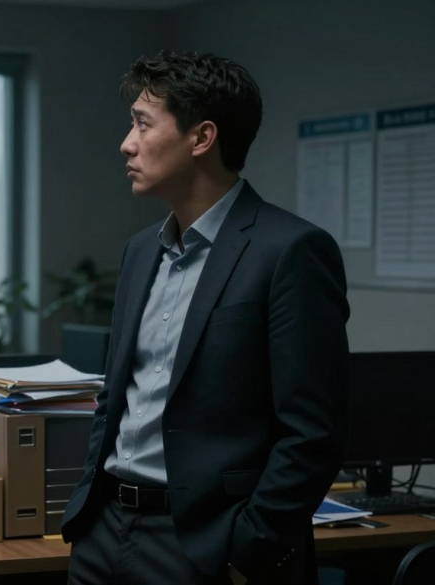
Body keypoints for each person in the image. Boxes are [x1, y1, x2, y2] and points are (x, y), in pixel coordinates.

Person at [61, 52, 350, 585]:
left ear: (202, 138)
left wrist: (249, 551)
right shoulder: (139, 250)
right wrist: (88, 508)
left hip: (207, 545)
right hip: (104, 534)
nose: (127, 143)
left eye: (143, 124)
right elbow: (115, 397)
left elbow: (312, 433)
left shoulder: (290, 250)